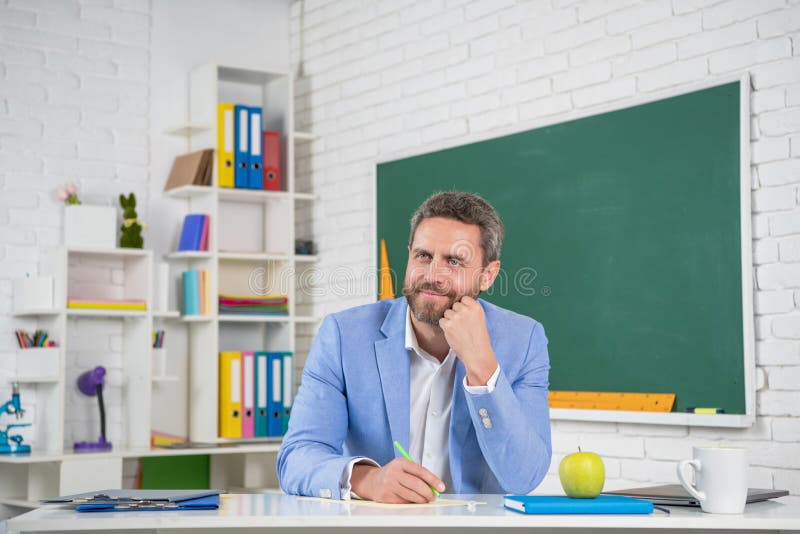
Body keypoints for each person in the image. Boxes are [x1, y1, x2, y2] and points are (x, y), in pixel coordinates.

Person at [277, 191, 551, 503]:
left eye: (454, 261)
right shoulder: (343, 336)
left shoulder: (523, 340)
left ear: (487, 275)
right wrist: (369, 480)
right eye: (423, 256)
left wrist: (483, 368)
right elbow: (296, 458)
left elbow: (524, 476)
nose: (433, 275)